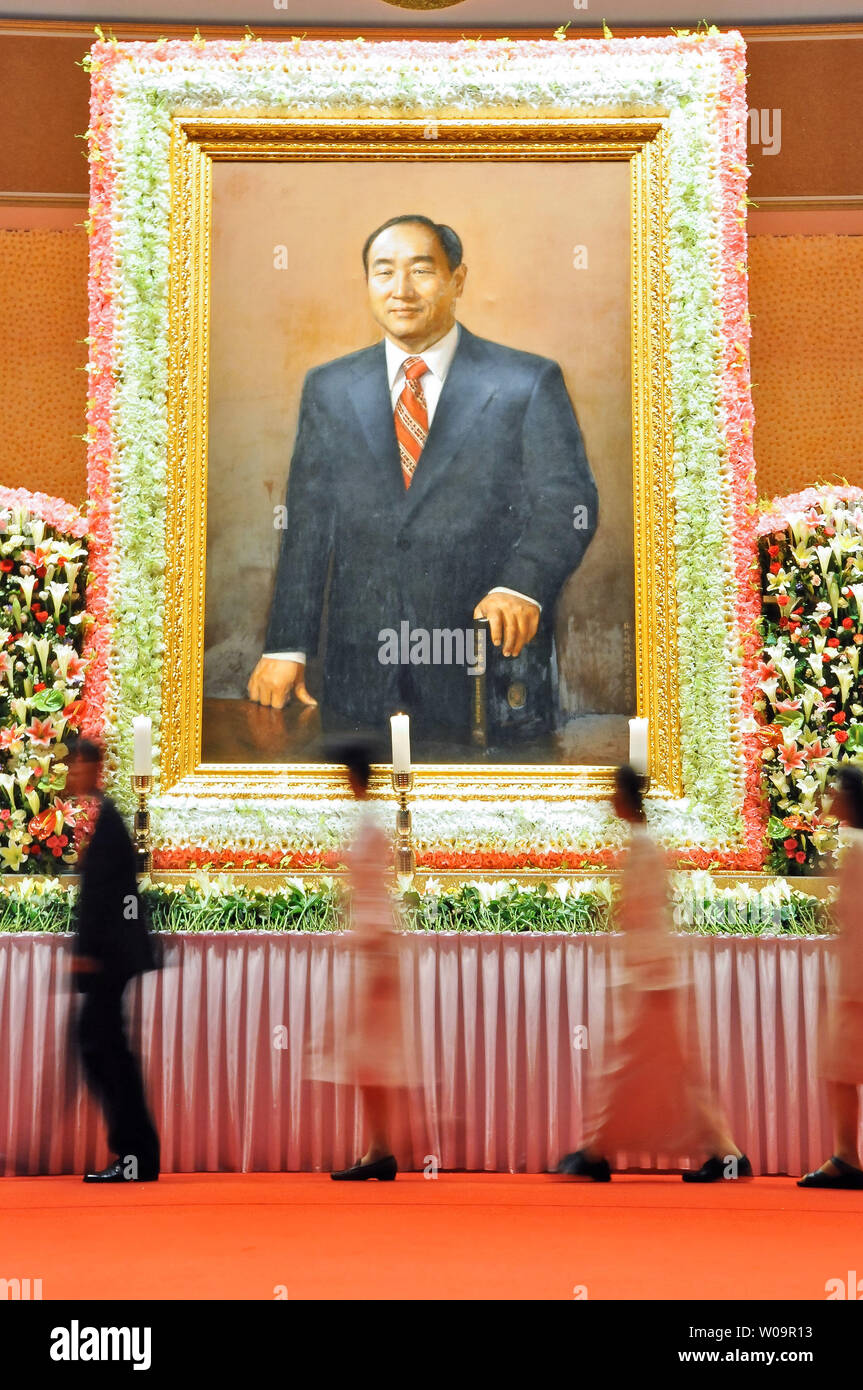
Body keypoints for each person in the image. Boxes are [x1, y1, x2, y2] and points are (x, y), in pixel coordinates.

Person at [248, 213, 597, 743]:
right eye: (383, 272)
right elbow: (308, 526)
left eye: (422, 271)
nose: (401, 290)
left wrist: (522, 586)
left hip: (487, 675)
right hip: (358, 679)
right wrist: (286, 647)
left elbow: (568, 502)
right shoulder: (329, 387)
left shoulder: (527, 381)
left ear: (458, 280)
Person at [558, 764, 752, 1183]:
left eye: (613, 793)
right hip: (653, 976)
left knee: (632, 1066)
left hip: (653, 979)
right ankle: (724, 1152)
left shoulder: (642, 848)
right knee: (671, 1070)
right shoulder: (641, 845)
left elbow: (645, 915)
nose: (609, 801)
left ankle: (597, 1151)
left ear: (623, 798)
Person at [312, 742, 410, 1180]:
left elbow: (372, 894)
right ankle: (378, 1147)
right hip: (373, 949)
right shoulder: (367, 822)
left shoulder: (368, 825)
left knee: (370, 1056)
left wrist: (365, 944)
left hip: (375, 952)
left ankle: (380, 1149)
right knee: (369, 1057)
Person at [66, 738, 161, 1183]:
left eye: (72, 765)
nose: (68, 775)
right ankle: (137, 1155)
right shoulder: (106, 819)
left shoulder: (109, 822)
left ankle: (135, 1156)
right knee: (106, 1051)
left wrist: (90, 956)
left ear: (89, 766)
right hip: (112, 957)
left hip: (109, 959)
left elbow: (111, 899)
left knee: (106, 1053)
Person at [798, 765, 863, 1189]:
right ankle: (846, 1156)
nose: (831, 800)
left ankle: (846, 1156)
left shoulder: (857, 852)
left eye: (837, 794)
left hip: (857, 982)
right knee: (840, 1070)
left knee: (839, 1069)